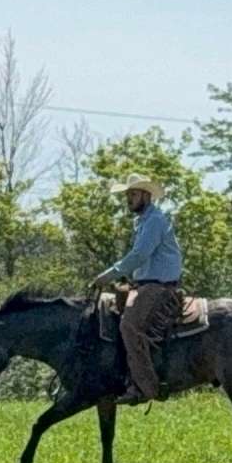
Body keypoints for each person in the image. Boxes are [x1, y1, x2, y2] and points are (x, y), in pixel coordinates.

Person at [93, 173, 183, 405]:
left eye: (133, 194)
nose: (129, 199)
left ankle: (146, 387)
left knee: (129, 326)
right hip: (145, 284)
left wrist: (109, 274)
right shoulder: (144, 221)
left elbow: (140, 255)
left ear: (146, 195)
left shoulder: (154, 221)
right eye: (128, 195)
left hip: (157, 287)